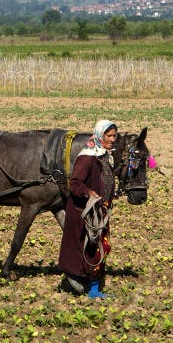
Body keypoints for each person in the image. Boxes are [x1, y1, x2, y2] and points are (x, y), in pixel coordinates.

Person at [57, 119, 118, 298]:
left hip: (101, 212)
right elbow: (75, 183)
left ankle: (93, 289)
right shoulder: (87, 156)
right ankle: (75, 278)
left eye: (114, 135)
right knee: (83, 248)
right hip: (83, 212)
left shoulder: (105, 156)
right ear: (100, 135)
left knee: (100, 247)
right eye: (109, 135)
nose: (113, 139)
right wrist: (88, 192)